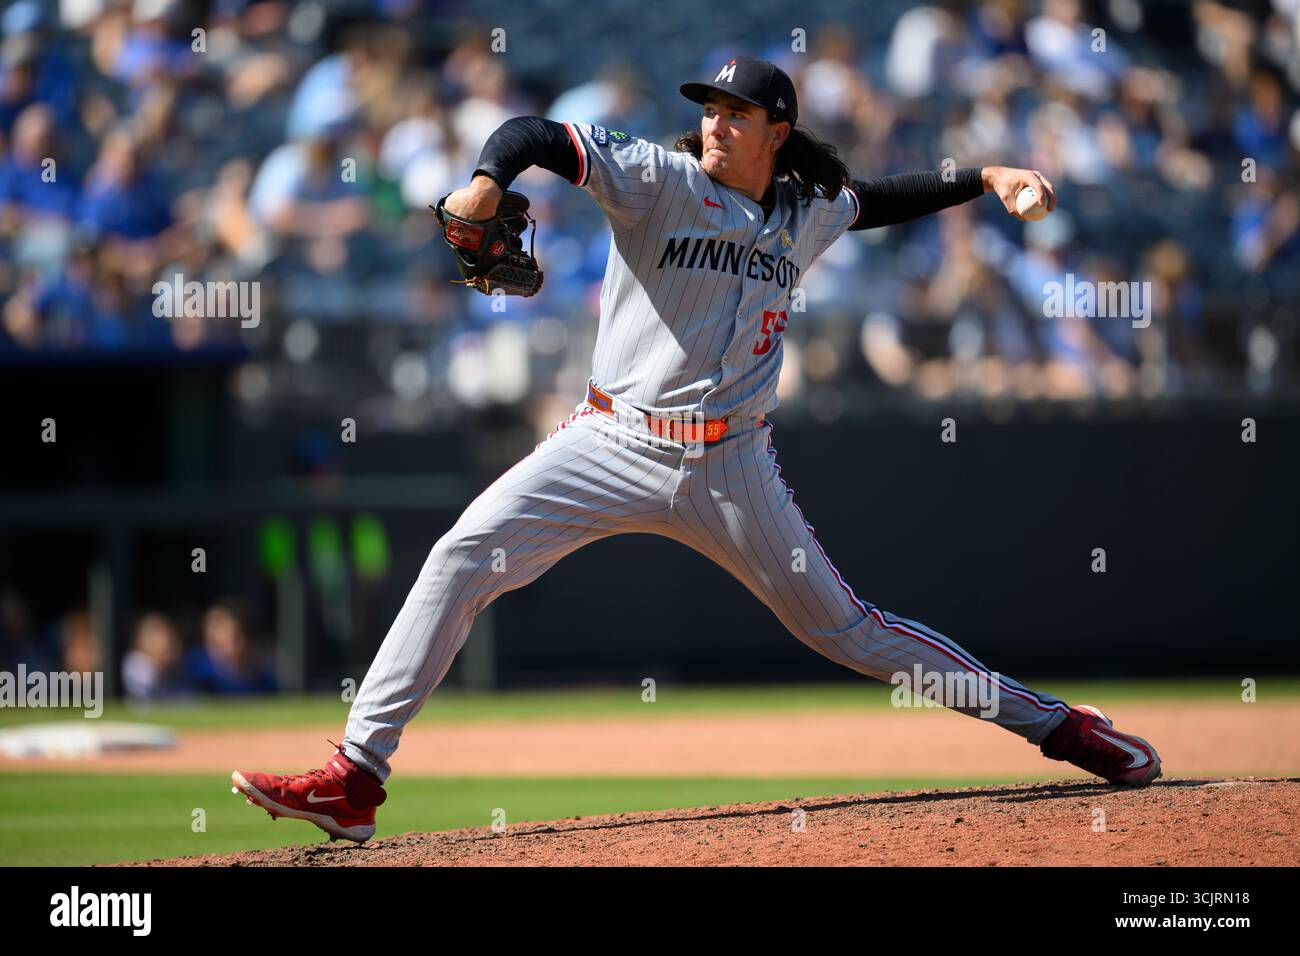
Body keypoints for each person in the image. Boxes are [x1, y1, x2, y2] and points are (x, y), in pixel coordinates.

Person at [233, 55, 1161, 844]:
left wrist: (990, 176)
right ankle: (356, 780)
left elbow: (880, 198)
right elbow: (537, 134)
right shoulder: (656, 180)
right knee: (460, 554)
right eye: (709, 110)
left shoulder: (807, 213)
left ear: (778, 131)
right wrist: (488, 179)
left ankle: (1060, 727)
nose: (715, 124)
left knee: (851, 633)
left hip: (732, 466)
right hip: (610, 439)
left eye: (736, 113)